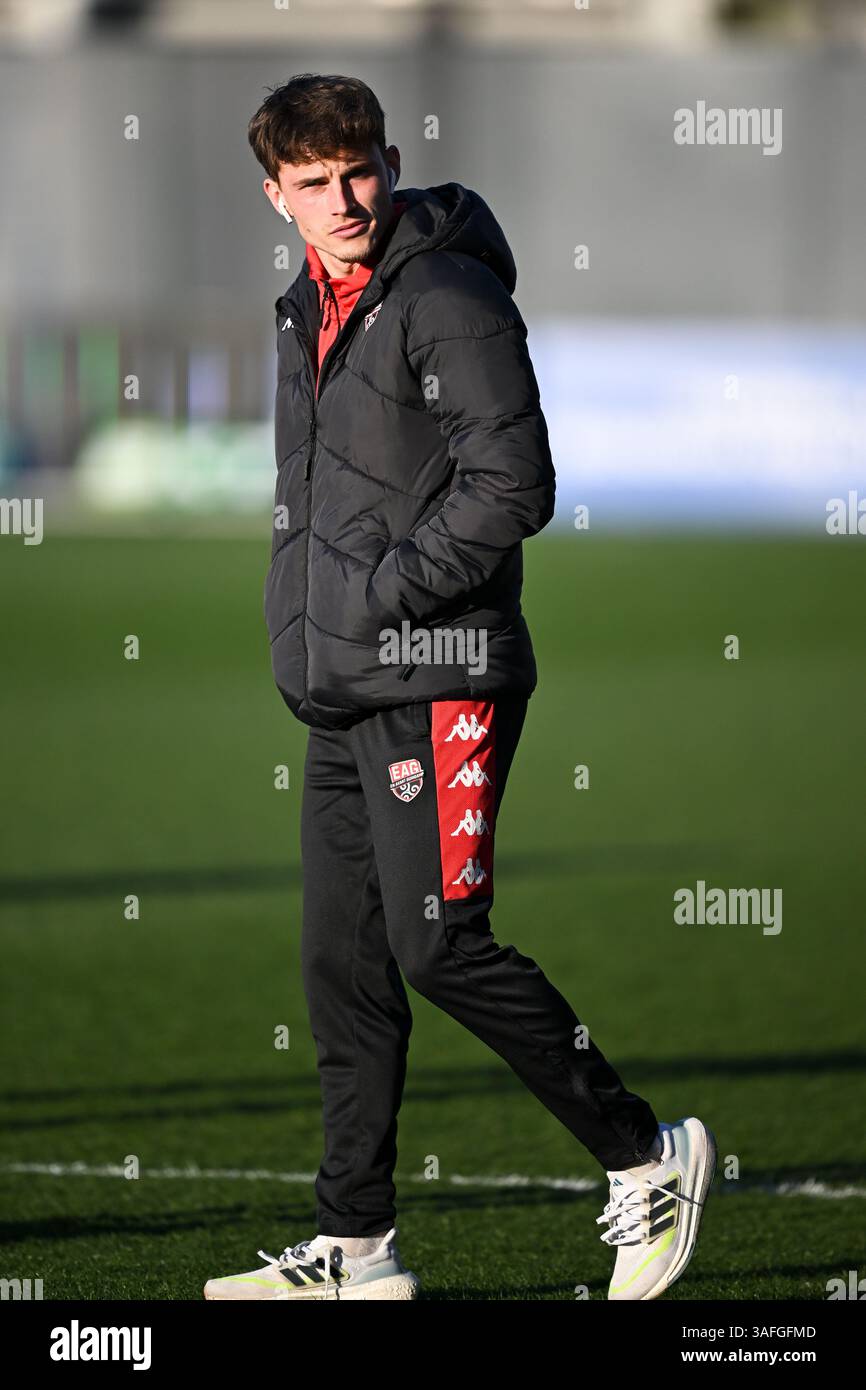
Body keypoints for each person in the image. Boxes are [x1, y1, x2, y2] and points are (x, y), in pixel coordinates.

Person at [204, 73, 715, 1303]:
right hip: (341, 684)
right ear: (274, 193)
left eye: (361, 168)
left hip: (438, 669)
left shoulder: (440, 288)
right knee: (344, 969)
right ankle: (358, 1246)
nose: (345, 198)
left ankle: (644, 1152)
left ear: (387, 159)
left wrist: (383, 596)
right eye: (314, 181)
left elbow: (513, 482)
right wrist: (319, 631)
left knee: (440, 948)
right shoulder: (304, 307)